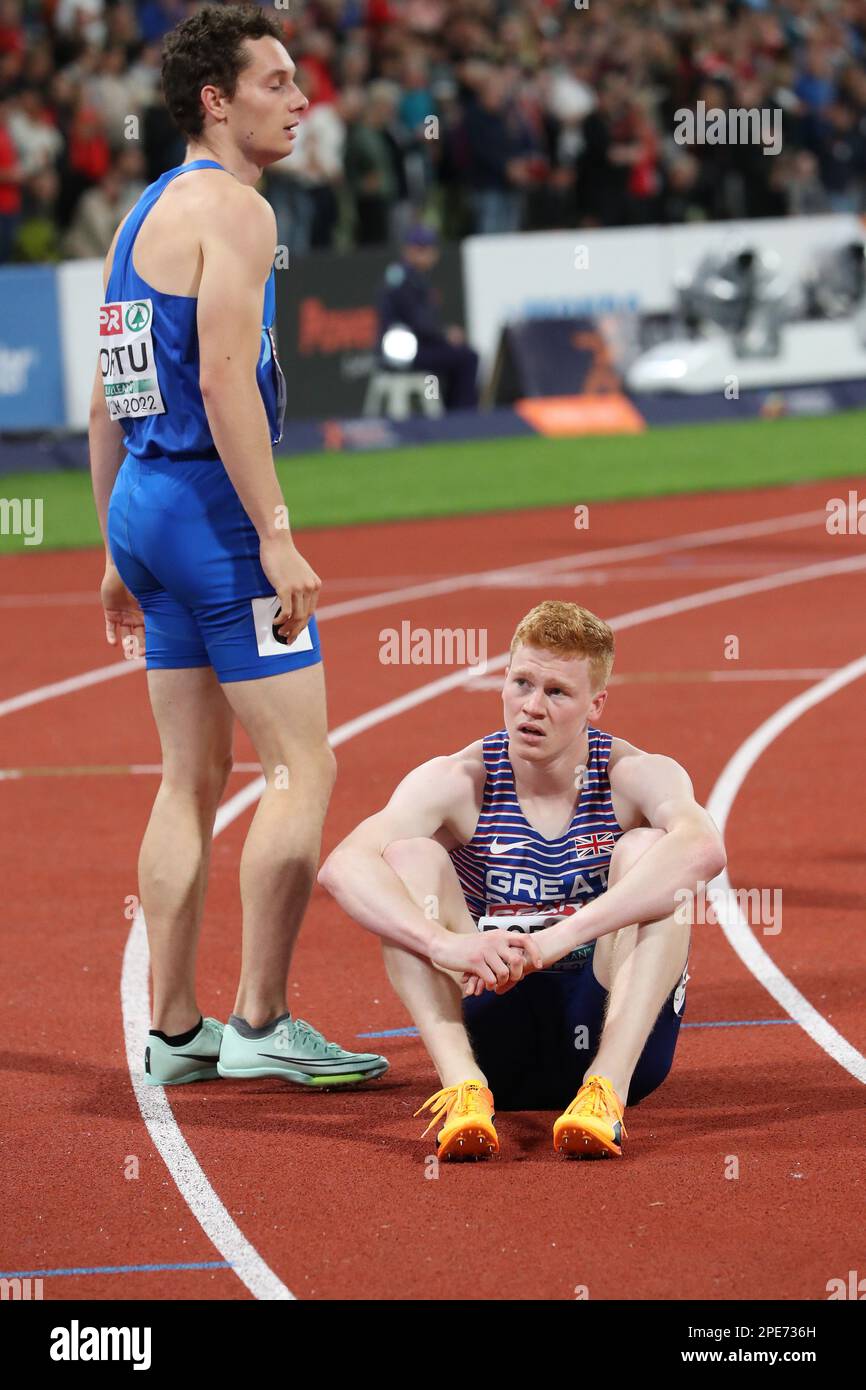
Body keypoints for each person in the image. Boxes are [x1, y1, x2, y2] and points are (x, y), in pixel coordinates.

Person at [88, 3, 387, 1089]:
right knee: (301, 765)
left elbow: (107, 399)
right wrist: (276, 534)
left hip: (149, 505)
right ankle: (261, 1017)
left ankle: (173, 1034)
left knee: (187, 776)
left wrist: (115, 539)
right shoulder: (239, 211)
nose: (300, 99)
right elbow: (220, 382)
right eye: (274, 82)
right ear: (216, 101)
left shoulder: (140, 217)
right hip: (212, 515)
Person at [318, 600, 726, 1160]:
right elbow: (343, 865)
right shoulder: (459, 779)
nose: (532, 707)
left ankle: (604, 1093)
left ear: (595, 704)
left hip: (608, 1020)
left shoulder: (633, 775)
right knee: (408, 858)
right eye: (521, 683)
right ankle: (462, 1089)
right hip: (491, 1019)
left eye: (557, 692)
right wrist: (447, 943)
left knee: (653, 850)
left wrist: (552, 942)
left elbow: (704, 849)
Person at [377, 224, 479, 410]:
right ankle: (462, 415)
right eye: (425, 250)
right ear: (411, 250)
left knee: (454, 357)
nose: (432, 255)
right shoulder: (402, 278)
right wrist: (445, 334)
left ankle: (449, 412)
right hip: (403, 353)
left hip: (417, 346)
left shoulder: (415, 277)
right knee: (466, 357)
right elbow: (417, 322)